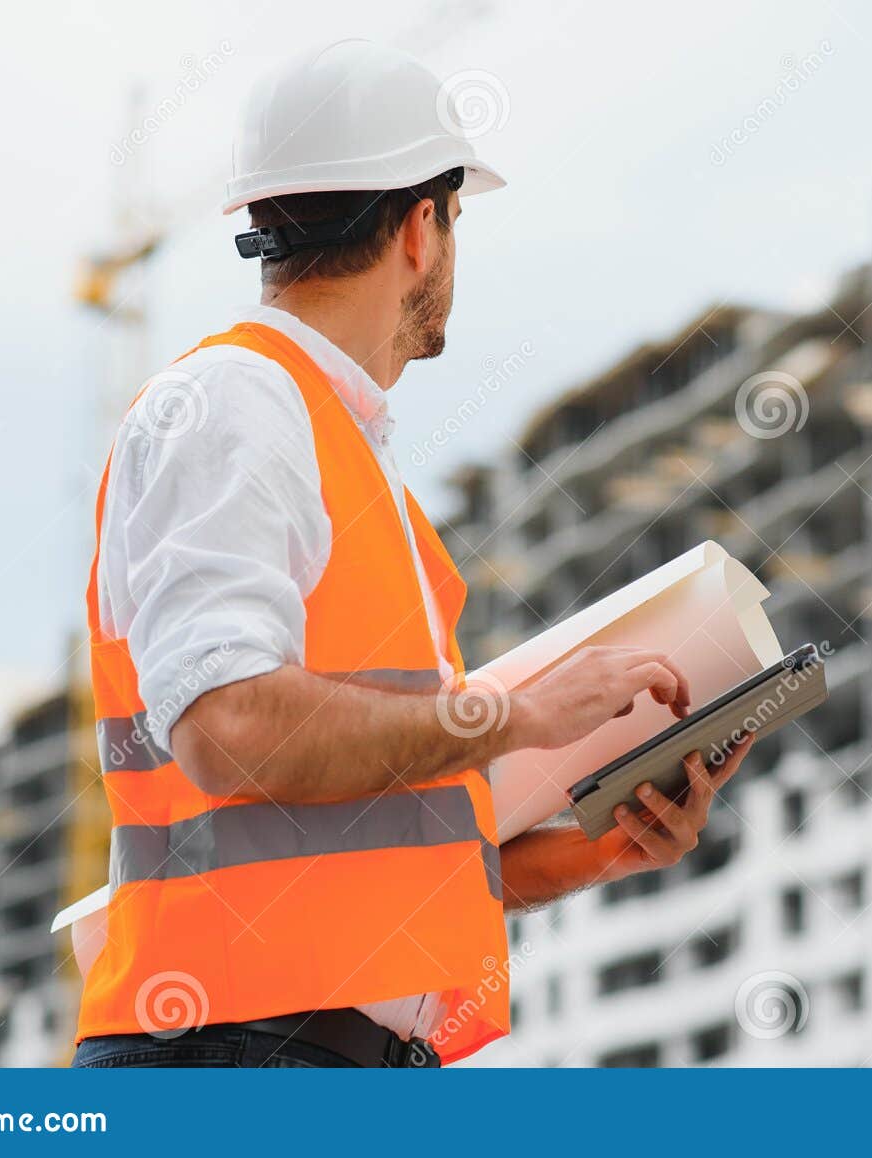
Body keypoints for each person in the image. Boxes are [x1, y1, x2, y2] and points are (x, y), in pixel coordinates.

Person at [70, 39, 755, 1069]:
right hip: (237, 1056)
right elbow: (228, 725)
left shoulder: (342, 452)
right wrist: (516, 715)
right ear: (421, 228)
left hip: (324, 1060)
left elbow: (374, 853)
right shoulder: (234, 404)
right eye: (454, 216)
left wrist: (601, 848)